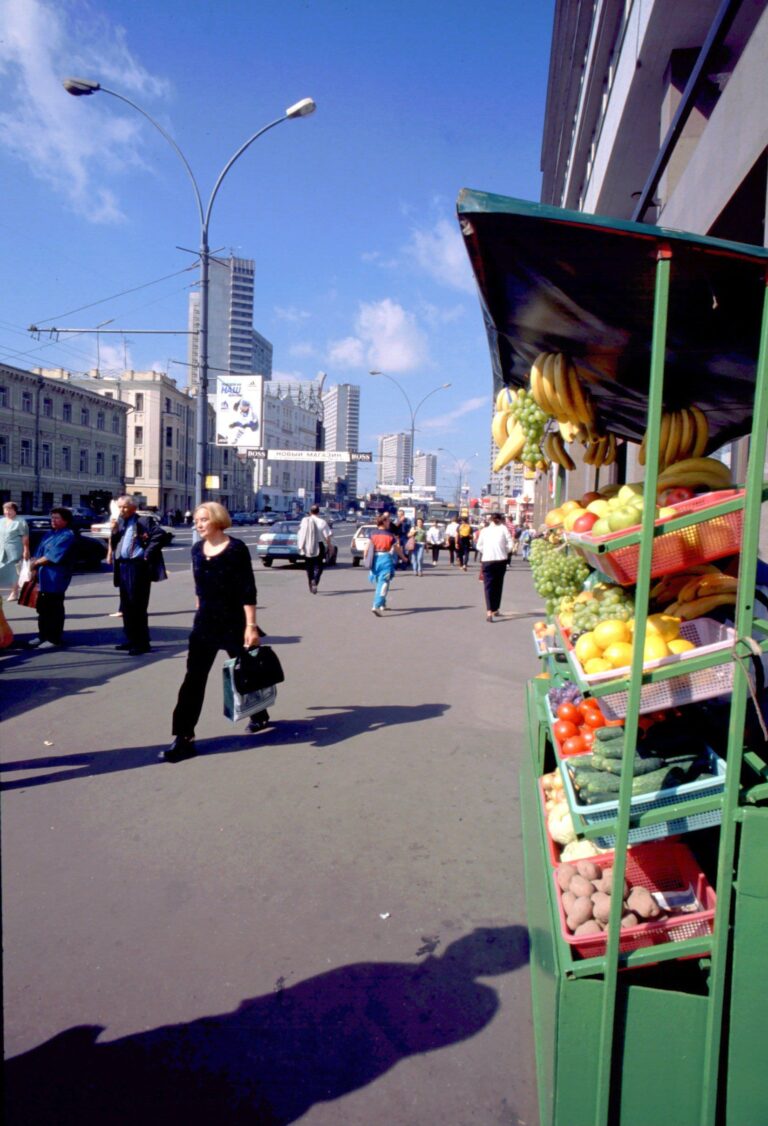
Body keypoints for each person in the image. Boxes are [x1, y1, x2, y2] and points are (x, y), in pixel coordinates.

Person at [166, 502, 261, 762]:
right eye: (196, 519)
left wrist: (251, 626)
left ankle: (259, 712)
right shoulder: (197, 549)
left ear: (218, 520)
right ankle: (184, 737)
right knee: (193, 680)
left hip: (234, 623)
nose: (198, 524)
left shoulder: (236, 549)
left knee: (247, 673)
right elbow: (199, 587)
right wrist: (199, 612)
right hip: (205, 625)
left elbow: (248, 589)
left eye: (203, 519)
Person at [110, 496, 167, 656]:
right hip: (123, 566)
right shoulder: (121, 522)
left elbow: (160, 536)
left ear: (133, 508)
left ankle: (142, 643)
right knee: (126, 605)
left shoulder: (143, 521)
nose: (121, 510)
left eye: (124, 507)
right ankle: (130, 639)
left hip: (137, 567)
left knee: (137, 606)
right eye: (119, 507)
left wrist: (146, 553)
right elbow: (116, 542)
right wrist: (114, 530)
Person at [27, 507, 76, 648]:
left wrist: (34, 564)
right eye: (52, 517)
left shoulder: (67, 535)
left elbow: (52, 556)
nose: (53, 520)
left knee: (54, 608)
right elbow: (38, 552)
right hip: (43, 577)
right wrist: (33, 564)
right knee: (42, 608)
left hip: (56, 577)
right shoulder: (49, 534)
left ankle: (54, 638)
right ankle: (42, 635)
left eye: (57, 518)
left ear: (65, 521)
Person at [476, 512, 515, 622]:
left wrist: (486, 552)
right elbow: (510, 543)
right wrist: (505, 551)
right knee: (498, 584)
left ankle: (489, 611)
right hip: (500, 560)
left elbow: (479, 546)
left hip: (487, 560)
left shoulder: (484, 530)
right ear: (500, 520)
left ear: (490, 520)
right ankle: (495, 608)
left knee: (488, 586)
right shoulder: (503, 529)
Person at [368, 512, 406, 616]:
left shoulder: (372, 533)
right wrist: (403, 557)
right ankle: (376, 605)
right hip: (385, 559)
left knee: (380, 582)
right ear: (384, 522)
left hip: (375, 560)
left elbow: (367, 547)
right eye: (388, 521)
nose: (389, 522)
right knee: (383, 583)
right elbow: (396, 548)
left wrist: (366, 558)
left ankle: (382, 604)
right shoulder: (390, 536)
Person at [297, 504, 333, 594]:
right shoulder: (322, 522)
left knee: (309, 566)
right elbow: (327, 536)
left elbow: (301, 532)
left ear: (310, 512)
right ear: (318, 512)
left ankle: (311, 581)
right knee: (319, 566)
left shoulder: (304, 521)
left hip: (308, 546)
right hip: (319, 545)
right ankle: (315, 581)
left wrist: (301, 546)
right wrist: (329, 546)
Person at [0, 501, 30, 601]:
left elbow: (25, 537)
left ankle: (14, 592)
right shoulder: (1, 521)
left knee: (14, 572)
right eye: (5, 510)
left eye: (10, 510)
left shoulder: (20, 522)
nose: (7, 512)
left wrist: (26, 550)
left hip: (14, 549)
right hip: (1, 549)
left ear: (15, 511)